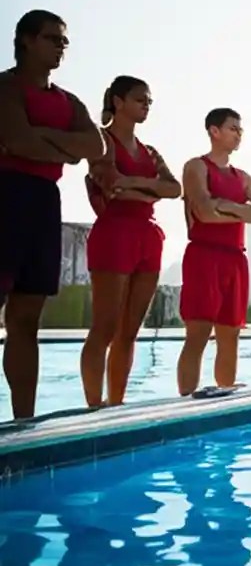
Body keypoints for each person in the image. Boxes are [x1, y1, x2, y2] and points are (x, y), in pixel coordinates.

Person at [0, 10, 106, 419]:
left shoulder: (68, 101)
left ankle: (22, 421)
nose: (61, 47)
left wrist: (41, 138)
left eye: (64, 41)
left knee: (26, 320)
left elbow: (96, 148)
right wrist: (64, 147)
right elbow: (19, 140)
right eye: (52, 38)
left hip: (43, 201)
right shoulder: (6, 88)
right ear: (26, 40)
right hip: (6, 195)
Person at [80, 76, 181, 408]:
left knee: (129, 330)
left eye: (149, 101)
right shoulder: (102, 142)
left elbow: (174, 188)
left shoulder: (150, 151)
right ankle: (93, 405)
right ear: (119, 101)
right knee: (105, 327)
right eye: (140, 100)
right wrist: (147, 186)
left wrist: (134, 182)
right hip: (114, 232)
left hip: (147, 235)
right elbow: (111, 185)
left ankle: (116, 403)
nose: (146, 106)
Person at [175, 108, 251, 396]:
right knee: (198, 334)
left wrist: (223, 205)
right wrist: (239, 211)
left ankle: (224, 396)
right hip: (204, 255)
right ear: (214, 131)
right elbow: (203, 212)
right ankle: (186, 401)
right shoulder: (196, 167)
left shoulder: (244, 177)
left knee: (230, 335)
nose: (238, 134)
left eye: (240, 129)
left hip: (236, 258)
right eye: (233, 128)